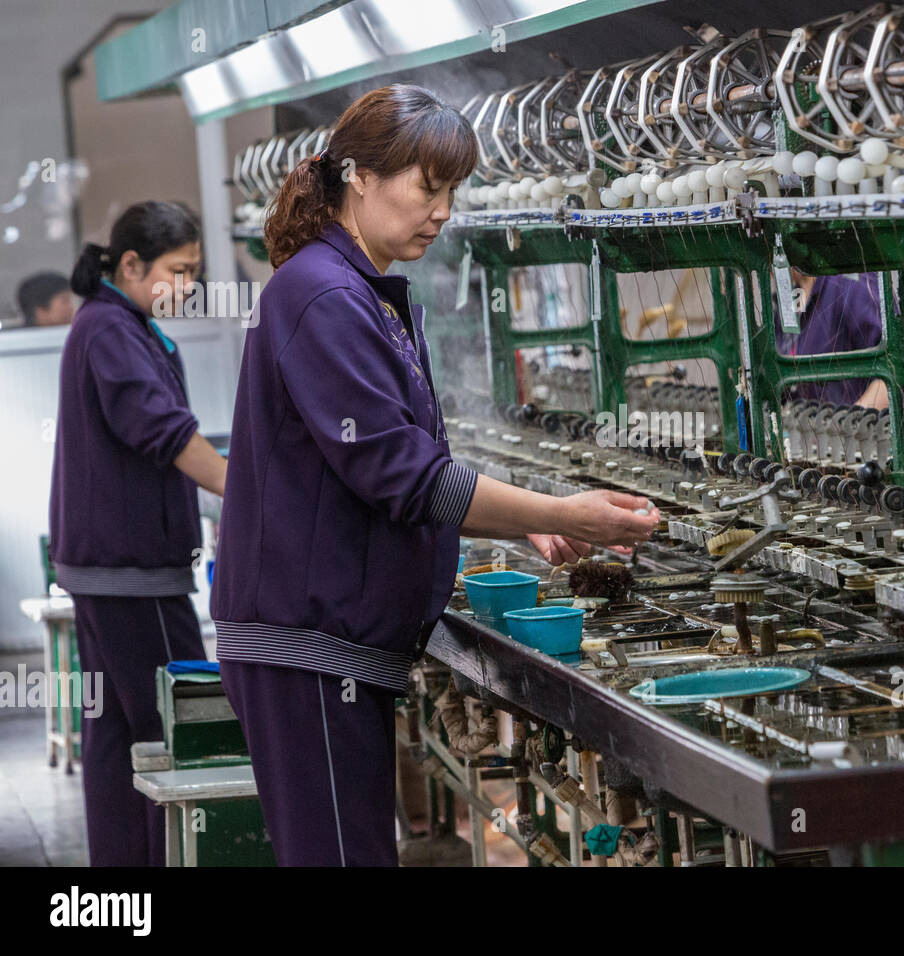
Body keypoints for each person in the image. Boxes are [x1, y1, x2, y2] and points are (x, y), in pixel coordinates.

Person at [211, 85, 658, 866]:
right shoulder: (320, 295)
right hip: (308, 646)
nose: (444, 211)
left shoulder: (368, 294)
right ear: (359, 176)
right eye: (428, 186)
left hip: (333, 641)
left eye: (453, 191)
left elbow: (412, 467)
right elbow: (406, 478)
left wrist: (528, 516)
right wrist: (564, 509)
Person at [50, 201, 229, 866]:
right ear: (131, 264)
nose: (186, 286)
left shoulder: (120, 324)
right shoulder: (111, 330)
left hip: (103, 568)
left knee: (115, 732)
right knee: (175, 726)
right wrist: (242, 491)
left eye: (194, 273)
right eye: (178, 271)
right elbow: (164, 430)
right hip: (130, 572)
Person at [781, 269, 889, 409]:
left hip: (871, 428)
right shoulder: (792, 299)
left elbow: (896, 372)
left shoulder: (852, 285)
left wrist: (850, 424)